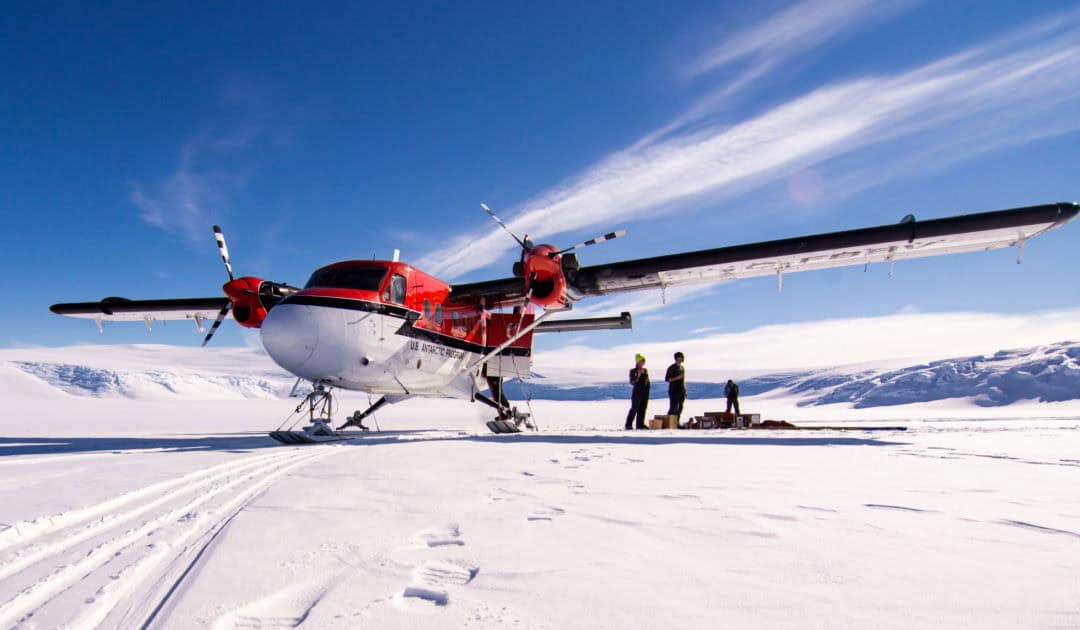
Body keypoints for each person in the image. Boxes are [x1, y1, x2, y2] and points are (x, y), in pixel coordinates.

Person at [625, 353, 650, 430]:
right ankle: (628, 424)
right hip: (637, 393)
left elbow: (647, 381)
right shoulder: (633, 371)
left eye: (643, 361)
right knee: (634, 408)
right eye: (641, 361)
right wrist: (638, 375)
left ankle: (640, 424)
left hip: (645, 392)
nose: (642, 363)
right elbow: (632, 382)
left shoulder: (645, 370)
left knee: (643, 408)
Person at [665, 351, 686, 424]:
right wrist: (677, 378)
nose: (683, 358)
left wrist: (684, 391)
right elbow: (668, 379)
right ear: (677, 358)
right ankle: (669, 423)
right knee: (673, 408)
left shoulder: (682, 368)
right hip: (674, 391)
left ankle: (676, 423)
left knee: (680, 408)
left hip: (681, 390)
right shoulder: (672, 368)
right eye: (681, 357)